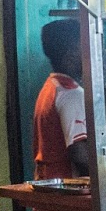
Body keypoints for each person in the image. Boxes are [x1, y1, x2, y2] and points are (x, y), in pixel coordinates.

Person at [33, 20, 91, 179]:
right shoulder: (71, 93)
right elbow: (79, 155)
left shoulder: (49, 88)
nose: (89, 52)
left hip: (48, 187)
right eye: (84, 46)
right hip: (67, 189)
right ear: (72, 52)